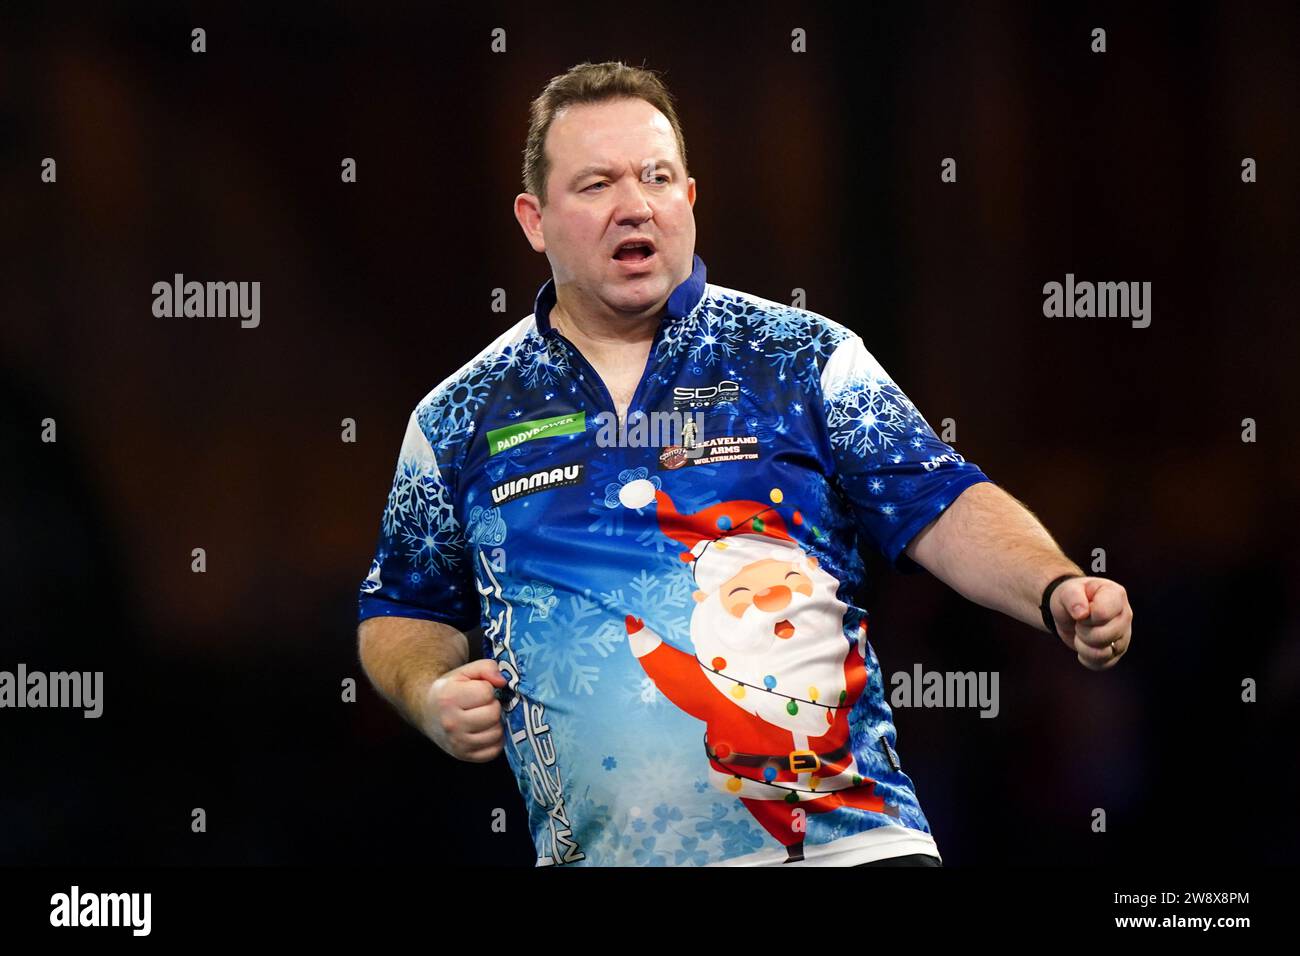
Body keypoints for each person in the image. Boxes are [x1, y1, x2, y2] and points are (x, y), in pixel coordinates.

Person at [355, 61, 1134, 867]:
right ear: (534, 220)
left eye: (657, 177)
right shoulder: (458, 415)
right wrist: (430, 694)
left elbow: (942, 501)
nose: (635, 204)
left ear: (688, 200)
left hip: (847, 849)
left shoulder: (802, 357)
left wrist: (1054, 586)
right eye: (596, 184)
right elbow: (400, 605)